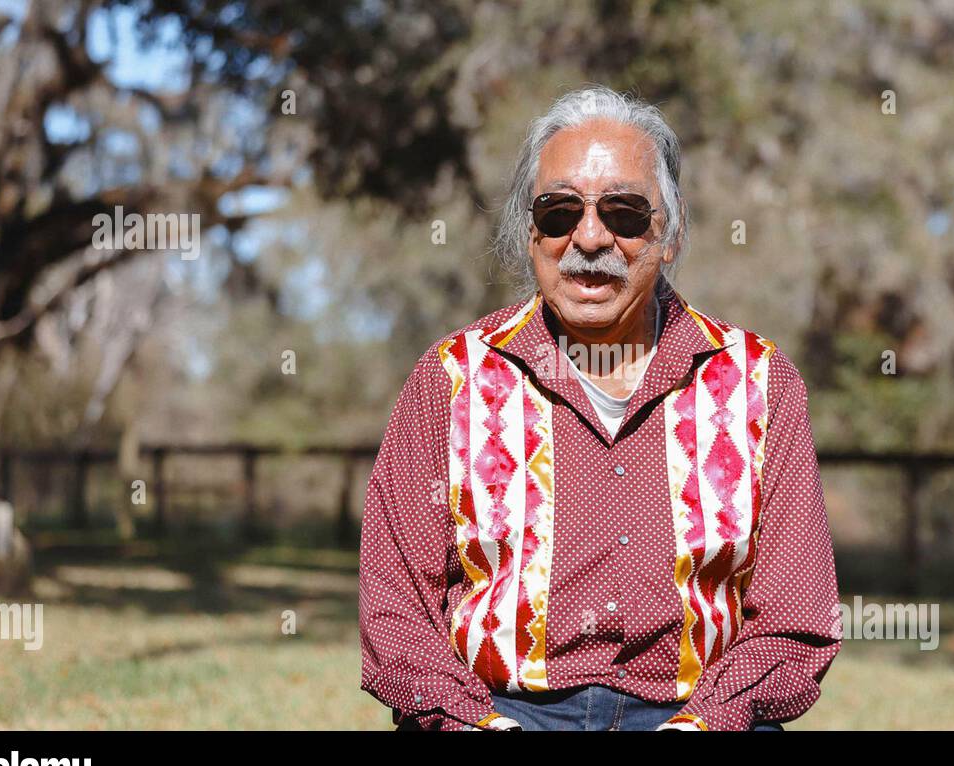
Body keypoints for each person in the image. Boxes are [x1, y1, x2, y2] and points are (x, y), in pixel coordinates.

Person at [359, 85, 841, 731]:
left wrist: (704, 723)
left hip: (703, 713)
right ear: (530, 233)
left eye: (624, 211)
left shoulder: (760, 381)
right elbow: (396, 614)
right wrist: (475, 724)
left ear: (666, 233)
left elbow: (795, 618)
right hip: (496, 712)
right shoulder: (449, 379)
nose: (589, 237)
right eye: (559, 212)